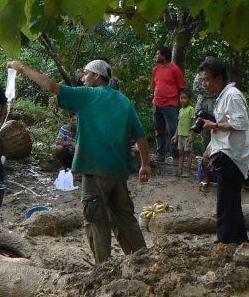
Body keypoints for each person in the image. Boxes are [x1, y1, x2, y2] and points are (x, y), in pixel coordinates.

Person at [8, 58, 152, 264]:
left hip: (94, 170)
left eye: (86, 73)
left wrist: (22, 68)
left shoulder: (87, 95)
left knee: (96, 220)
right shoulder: (124, 101)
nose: (83, 78)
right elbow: (140, 135)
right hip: (119, 171)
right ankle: (142, 261)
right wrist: (145, 164)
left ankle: (103, 267)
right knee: (125, 219)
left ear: (96, 76)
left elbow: (51, 86)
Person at [198, 59, 249, 245]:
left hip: (231, 155)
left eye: (207, 80)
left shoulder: (232, 95)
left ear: (219, 78)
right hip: (226, 152)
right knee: (230, 200)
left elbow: (240, 123)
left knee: (226, 201)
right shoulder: (223, 95)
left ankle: (226, 240)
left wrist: (215, 125)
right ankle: (238, 239)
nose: (204, 84)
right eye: (202, 80)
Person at [151, 45, 186, 163]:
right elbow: (154, 85)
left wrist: (181, 104)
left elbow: (181, 87)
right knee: (158, 130)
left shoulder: (175, 69)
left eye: (158, 54)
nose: (156, 56)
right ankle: (160, 154)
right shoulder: (155, 69)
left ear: (164, 56)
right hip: (157, 104)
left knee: (173, 130)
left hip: (170, 104)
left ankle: (174, 155)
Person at [192, 51, 219, 149]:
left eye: (212, 60)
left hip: (216, 106)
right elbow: (196, 88)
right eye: (207, 60)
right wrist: (211, 91)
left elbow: (221, 89)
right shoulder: (200, 73)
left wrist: (211, 91)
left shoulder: (219, 75)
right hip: (203, 105)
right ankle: (207, 156)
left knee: (216, 131)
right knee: (204, 133)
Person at [172, 90, 196, 177]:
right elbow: (179, 123)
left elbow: (194, 122)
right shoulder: (181, 110)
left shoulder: (191, 109)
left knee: (188, 154)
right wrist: (175, 135)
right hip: (181, 135)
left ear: (189, 99)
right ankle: (179, 171)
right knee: (181, 153)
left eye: (185, 98)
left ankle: (187, 172)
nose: (183, 100)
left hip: (187, 135)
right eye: (181, 98)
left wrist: (192, 134)